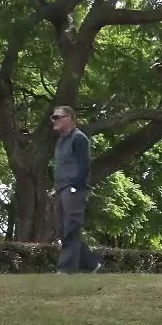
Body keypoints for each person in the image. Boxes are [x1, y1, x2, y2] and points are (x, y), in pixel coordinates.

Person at [51, 106, 103, 274]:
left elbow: (84, 166)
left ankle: (66, 269)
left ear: (70, 118)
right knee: (61, 228)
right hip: (61, 188)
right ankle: (91, 264)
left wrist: (75, 187)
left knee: (71, 227)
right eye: (53, 117)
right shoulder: (61, 141)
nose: (53, 120)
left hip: (73, 189)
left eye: (57, 117)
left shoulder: (79, 138)